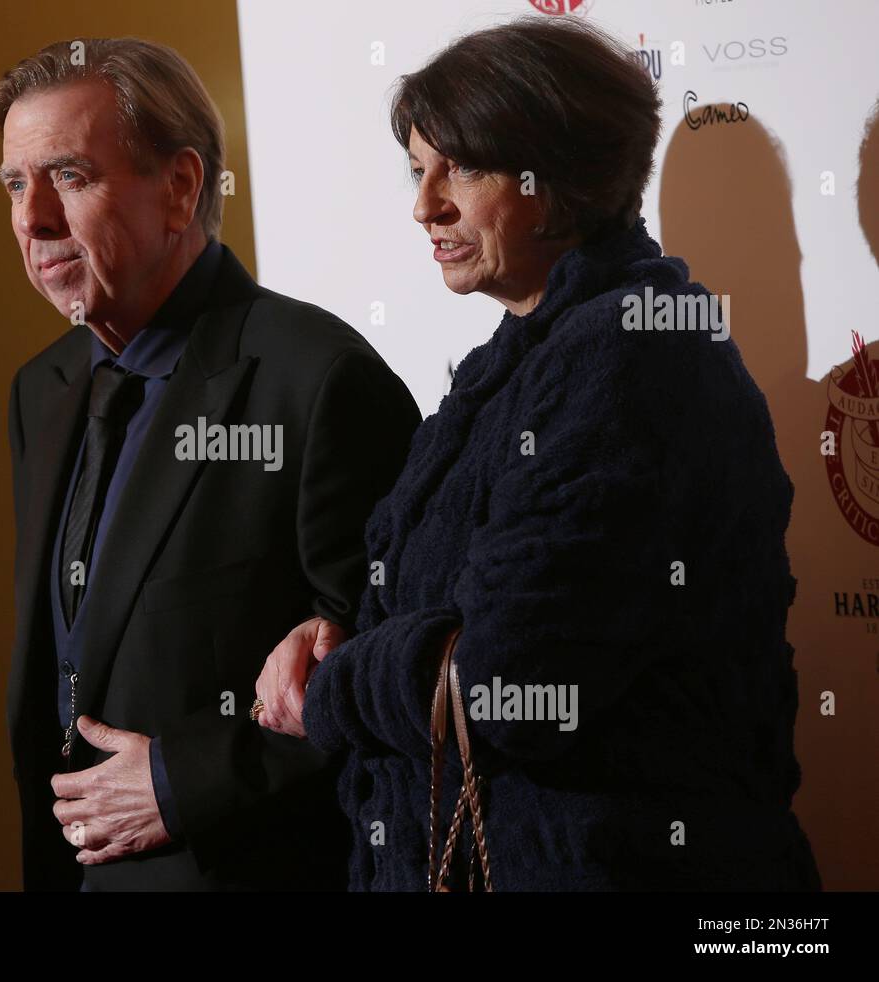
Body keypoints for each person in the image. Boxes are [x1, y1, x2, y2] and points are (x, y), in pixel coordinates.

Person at [254, 15, 821, 891]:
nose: (423, 204)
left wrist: (331, 688)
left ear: (562, 176)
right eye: (417, 168)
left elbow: (512, 682)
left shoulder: (631, 356)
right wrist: (340, 638)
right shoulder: (531, 354)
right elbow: (460, 611)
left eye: (463, 168)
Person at [0, 37, 422, 890]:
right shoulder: (41, 389)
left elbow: (390, 674)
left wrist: (184, 779)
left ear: (181, 188)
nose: (32, 218)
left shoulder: (319, 380)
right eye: (14, 183)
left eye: (69, 176)